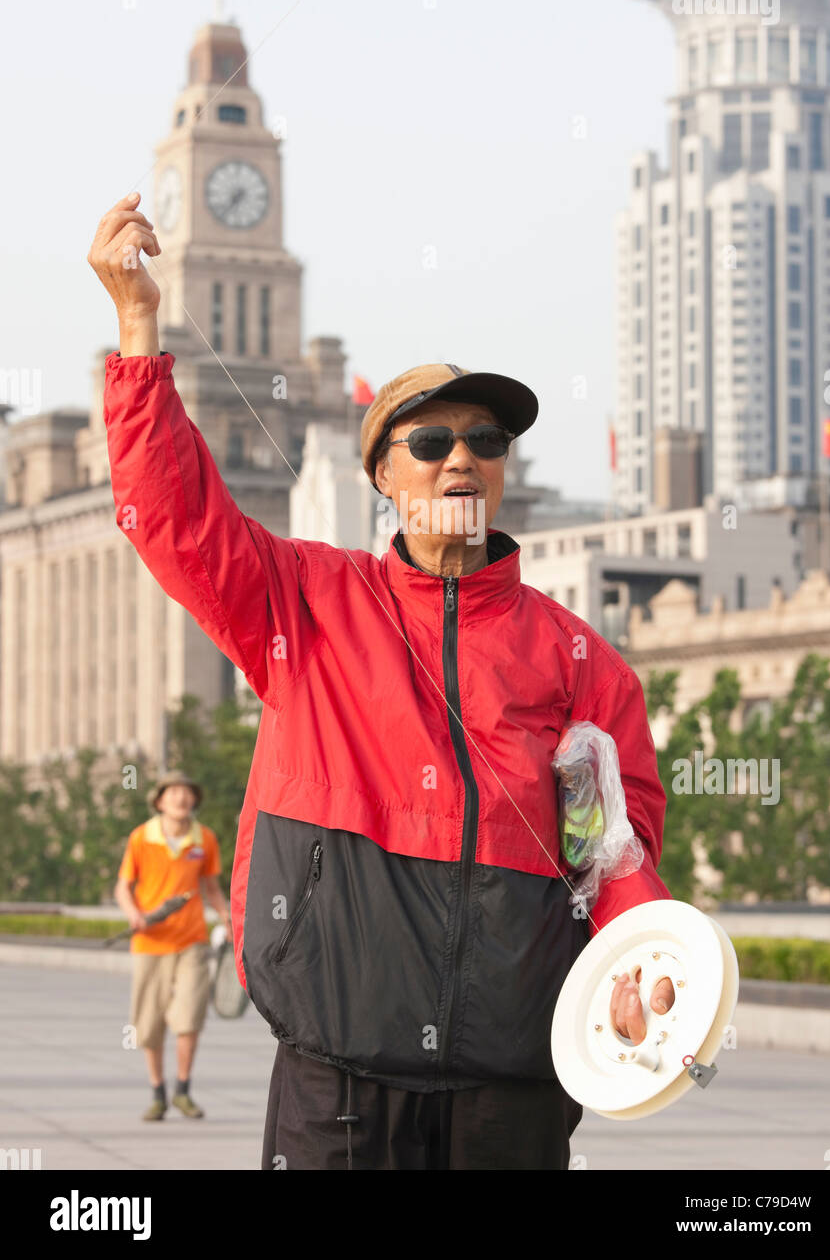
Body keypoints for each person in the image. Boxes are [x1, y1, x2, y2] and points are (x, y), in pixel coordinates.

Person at [90, 191, 674, 1170]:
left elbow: (606, 861)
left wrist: (643, 963)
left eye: (485, 440)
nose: (462, 459)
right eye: (432, 441)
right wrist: (140, 331)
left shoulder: (584, 667)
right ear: (384, 478)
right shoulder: (306, 600)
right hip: (340, 1083)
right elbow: (174, 517)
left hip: (512, 1086)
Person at [114, 771, 231, 1121]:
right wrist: (134, 914)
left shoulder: (204, 839)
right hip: (150, 943)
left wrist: (227, 918)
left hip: (192, 941)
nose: (180, 798)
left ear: (193, 800)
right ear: (160, 801)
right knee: (148, 1023)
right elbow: (123, 887)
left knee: (189, 1017)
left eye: (186, 792)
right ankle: (157, 1092)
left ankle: (183, 1090)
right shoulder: (141, 838)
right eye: (173, 793)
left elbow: (211, 887)